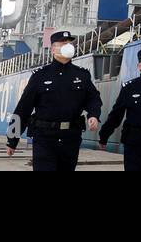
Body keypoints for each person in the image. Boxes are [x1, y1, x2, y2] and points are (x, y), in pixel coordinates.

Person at [6, 31, 102, 171]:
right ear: (53, 49)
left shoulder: (82, 75)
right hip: (45, 139)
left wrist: (94, 115)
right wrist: (12, 140)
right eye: (63, 43)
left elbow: (94, 99)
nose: (68, 46)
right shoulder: (40, 76)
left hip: (70, 139)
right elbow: (23, 109)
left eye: (69, 43)